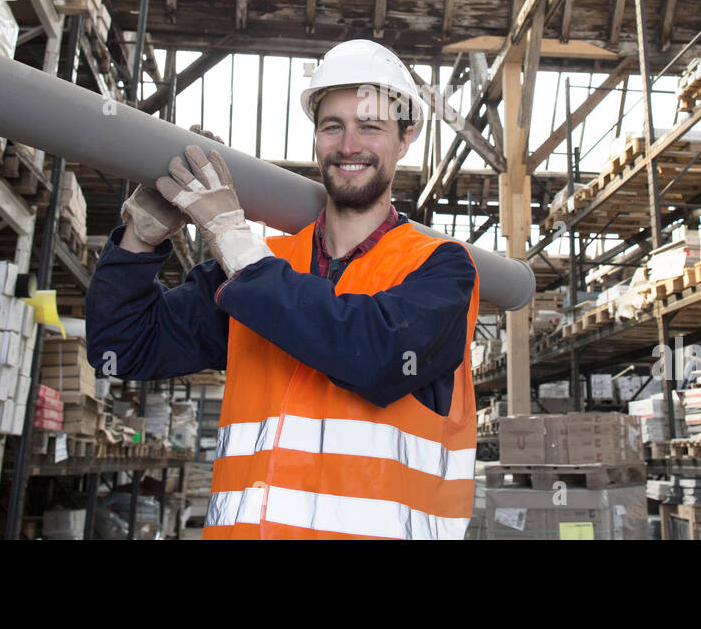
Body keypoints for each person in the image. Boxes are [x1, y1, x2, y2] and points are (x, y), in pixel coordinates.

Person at [85, 39, 480, 540]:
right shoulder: (256, 269)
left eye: (371, 127)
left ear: (405, 140)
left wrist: (231, 237)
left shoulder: (440, 268)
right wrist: (140, 239)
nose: (348, 145)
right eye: (332, 126)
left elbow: (376, 355)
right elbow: (121, 347)